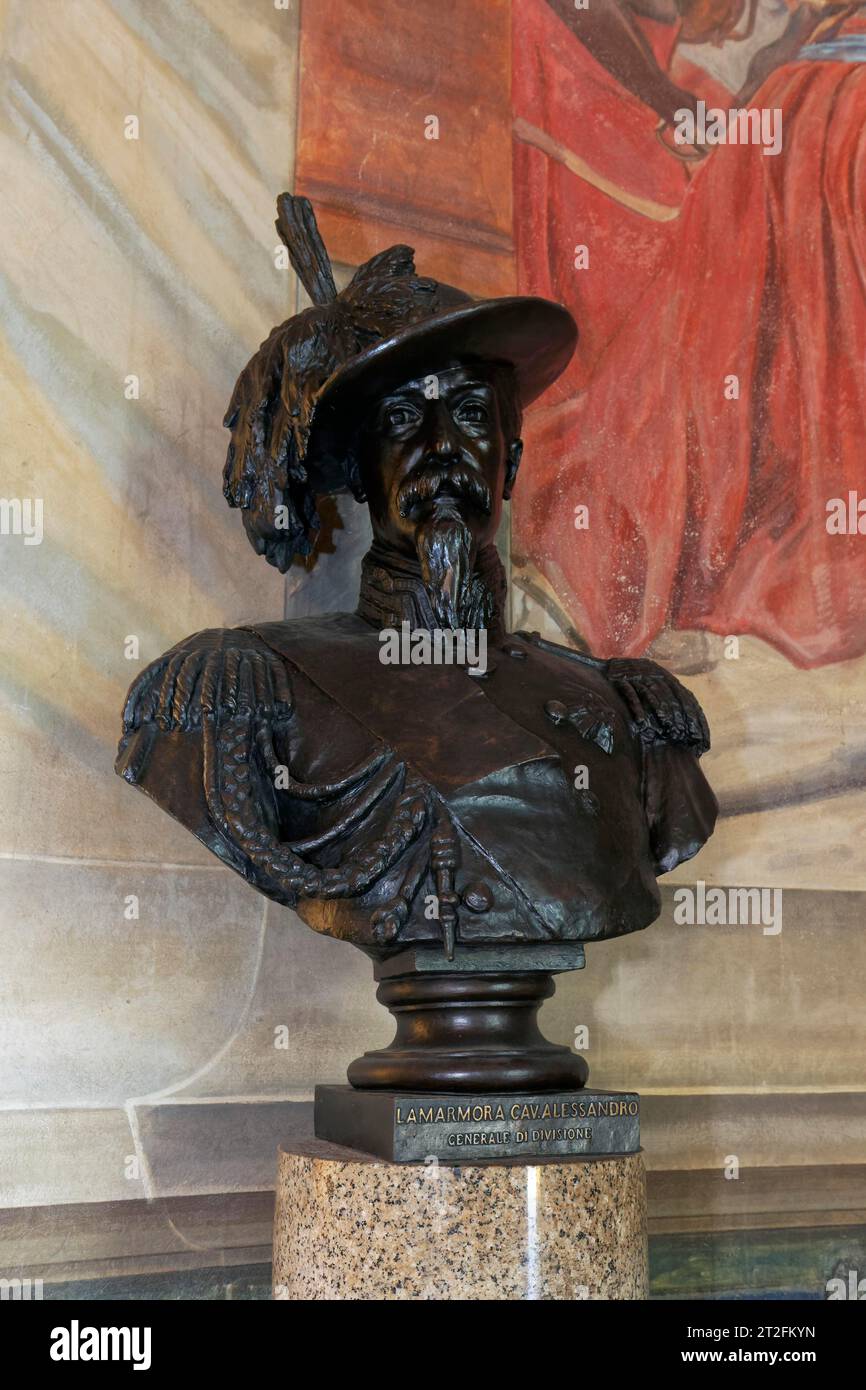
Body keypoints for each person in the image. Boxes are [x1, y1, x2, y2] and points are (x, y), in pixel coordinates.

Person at [116, 196, 716, 961]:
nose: (440, 448)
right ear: (363, 474)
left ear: (512, 462)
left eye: (469, 415)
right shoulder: (247, 685)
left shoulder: (629, 706)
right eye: (401, 421)